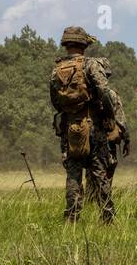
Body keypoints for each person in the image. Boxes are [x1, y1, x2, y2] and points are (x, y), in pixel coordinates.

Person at [49, 26, 118, 223]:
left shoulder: (57, 70)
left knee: (73, 174)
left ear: (66, 44)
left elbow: (55, 101)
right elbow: (104, 92)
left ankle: (72, 217)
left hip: (71, 129)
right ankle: (107, 217)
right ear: (84, 44)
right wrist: (109, 116)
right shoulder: (91, 65)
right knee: (100, 173)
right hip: (93, 126)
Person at [91, 57, 130, 195]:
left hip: (89, 136)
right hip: (106, 140)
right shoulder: (111, 95)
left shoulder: (86, 95)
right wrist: (127, 140)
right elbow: (121, 120)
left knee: (91, 170)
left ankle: (90, 198)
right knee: (106, 170)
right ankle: (104, 199)